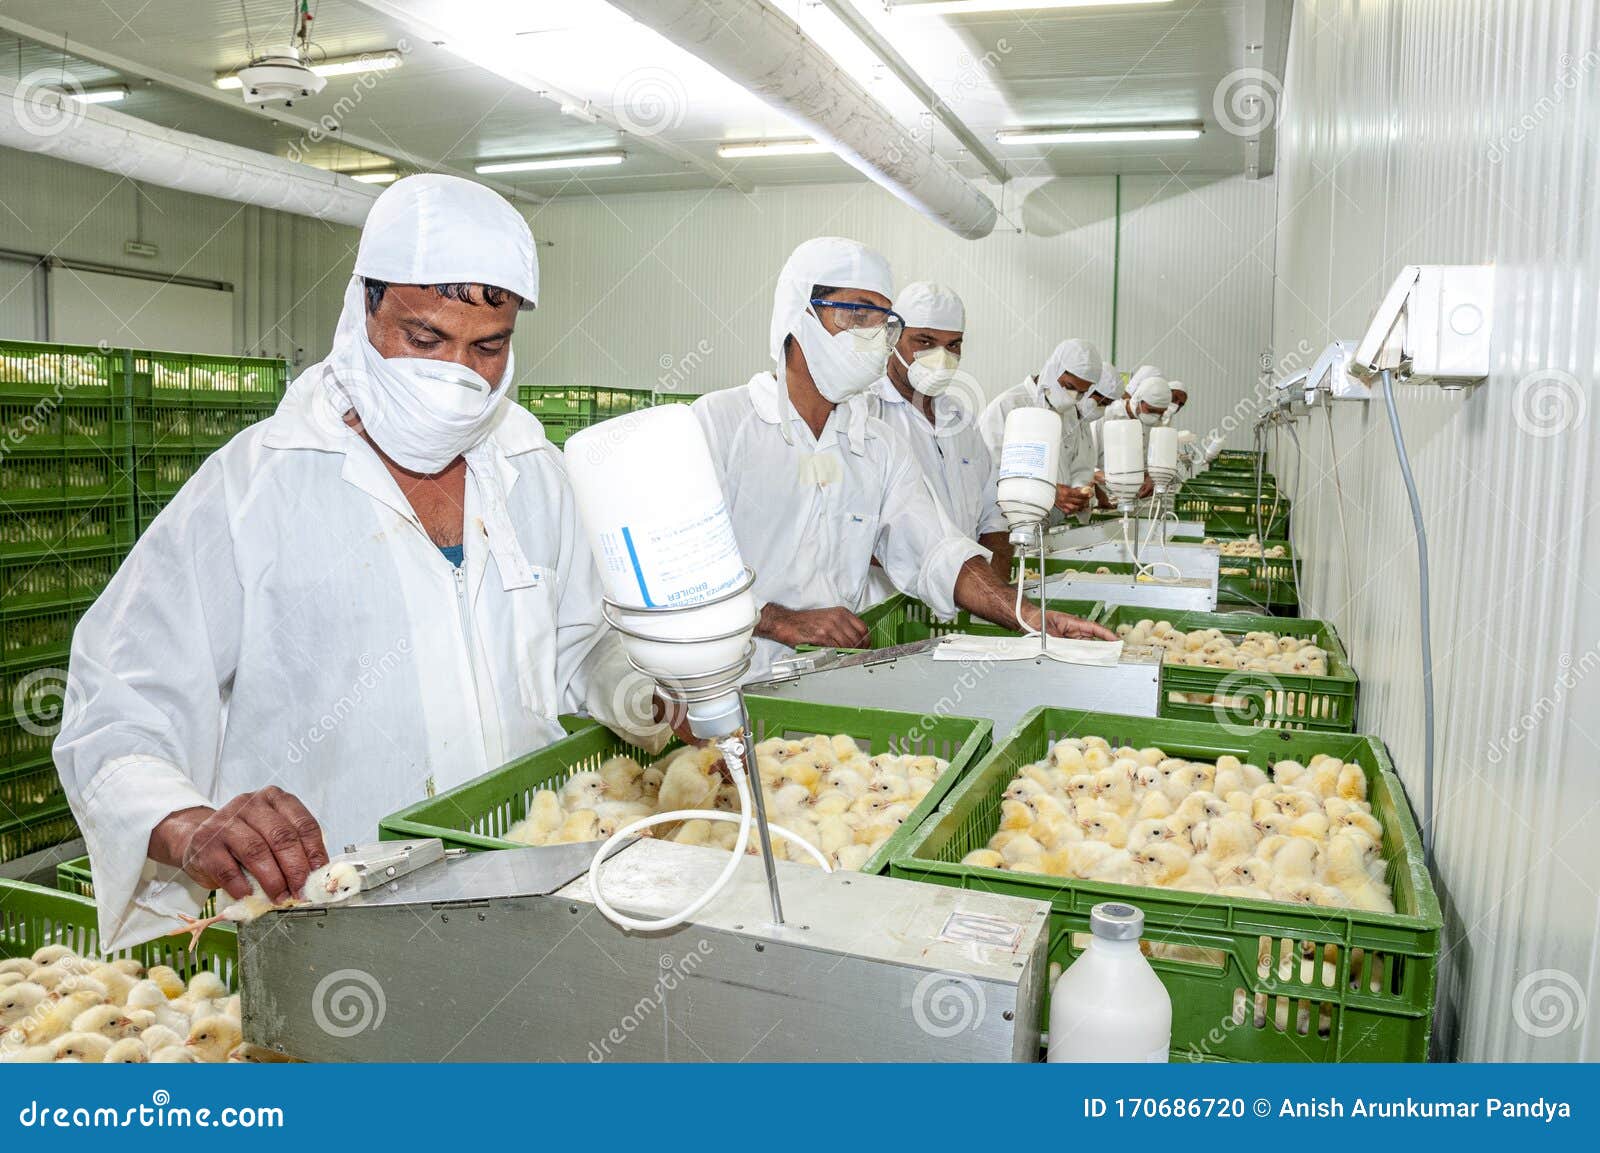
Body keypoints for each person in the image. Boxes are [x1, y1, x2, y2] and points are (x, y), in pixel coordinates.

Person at [54, 175, 661, 950]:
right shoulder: (256, 486)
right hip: (329, 924)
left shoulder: (529, 468)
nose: (457, 375)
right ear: (363, 307)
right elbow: (115, 704)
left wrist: (645, 687)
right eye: (424, 339)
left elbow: (579, 640)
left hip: (526, 898)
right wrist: (186, 821)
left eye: (487, 346)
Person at [692, 238, 1111, 679]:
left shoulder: (878, 446)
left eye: (883, 321)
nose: (873, 336)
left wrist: (1028, 615)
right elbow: (678, 572)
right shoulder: (719, 424)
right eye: (857, 314)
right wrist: (778, 619)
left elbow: (936, 551)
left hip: (820, 684)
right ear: (798, 315)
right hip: (719, 684)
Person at [866, 282, 1009, 587]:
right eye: (925, 341)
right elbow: (853, 531)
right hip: (890, 597)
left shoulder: (962, 422)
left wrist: (992, 593)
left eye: (953, 345)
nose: (941, 357)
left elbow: (993, 518)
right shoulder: (866, 415)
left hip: (966, 595)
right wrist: (945, 578)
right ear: (892, 337)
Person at [979, 337, 1105, 530]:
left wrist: (1079, 491)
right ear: (1053, 369)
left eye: (1081, 393)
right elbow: (989, 472)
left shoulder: (1070, 414)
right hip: (1007, 526)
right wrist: (1047, 491)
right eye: (1069, 387)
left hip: (1051, 525)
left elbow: (1080, 464)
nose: (1073, 397)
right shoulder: (1008, 406)